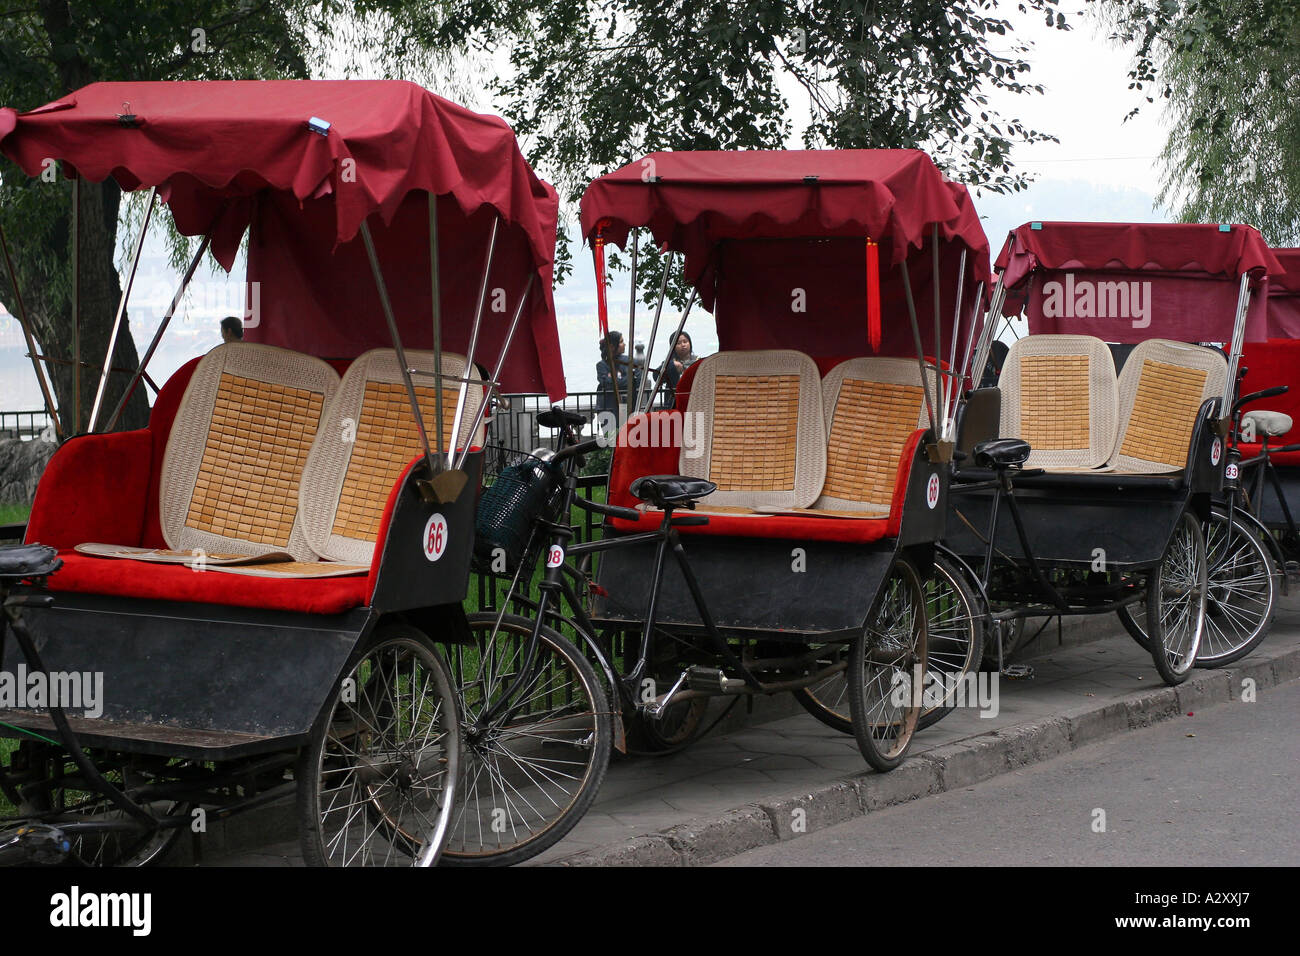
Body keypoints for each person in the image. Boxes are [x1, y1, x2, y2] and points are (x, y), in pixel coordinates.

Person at [658, 331, 700, 405]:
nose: (683, 345)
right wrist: (671, 366)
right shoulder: (669, 362)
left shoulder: (698, 361)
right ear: (673, 347)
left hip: (694, 401)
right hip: (673, 402)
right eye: (678, 343)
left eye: (685, 341)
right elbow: (656, 376)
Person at [595, 330, 629, 418]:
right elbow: (606, 383)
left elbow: (632, 380)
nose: (624, 344)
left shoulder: (628, 361)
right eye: (621, 342)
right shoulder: (601, 365)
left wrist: (615, 380)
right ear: (612, 346)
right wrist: (622, 380)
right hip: (607, 408)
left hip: (626, 406)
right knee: (611, 432)